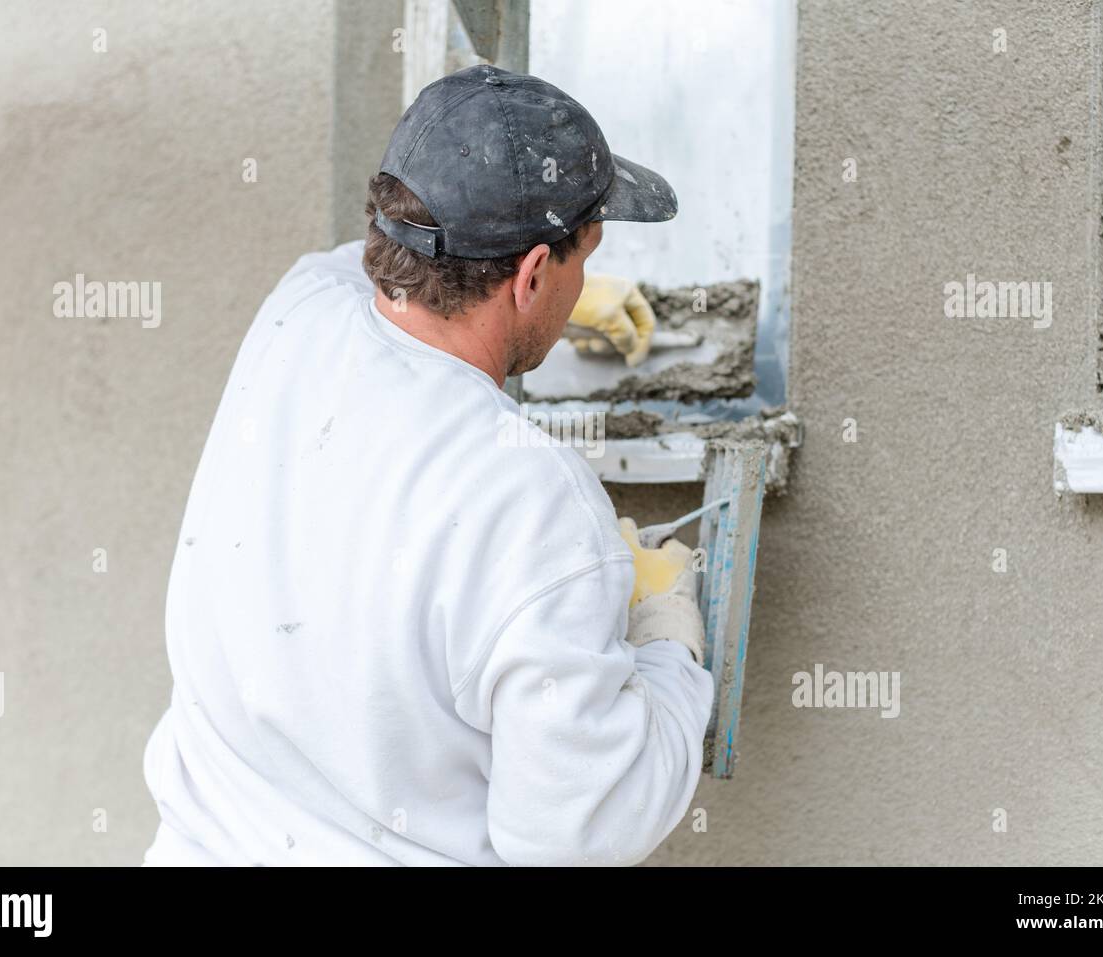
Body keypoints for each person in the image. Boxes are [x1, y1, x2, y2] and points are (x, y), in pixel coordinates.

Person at [141, 64, 712, 866]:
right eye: (583, 258)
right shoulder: (530, 495)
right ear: (533, 275)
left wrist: (550, 286)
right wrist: (667, 650)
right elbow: (574, 834)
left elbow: (377, 258)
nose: (583, 279)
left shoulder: (298, 311)